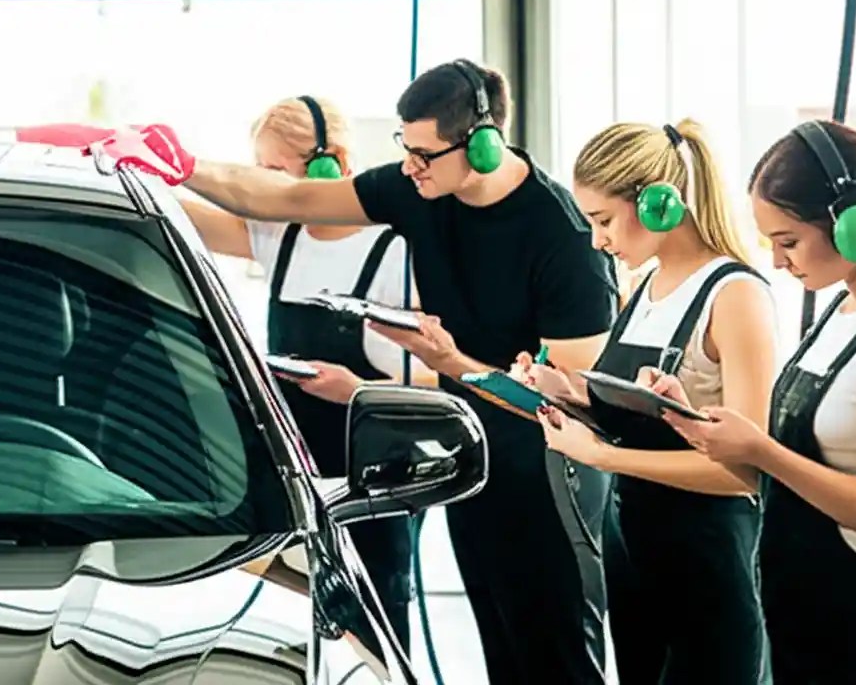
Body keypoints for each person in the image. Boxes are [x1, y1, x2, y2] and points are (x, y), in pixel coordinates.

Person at [102, 59, 620, 683]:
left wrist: (449, 364)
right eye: (405, 148)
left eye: (424, 153)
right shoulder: (419, 190)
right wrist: (181, 166)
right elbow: (289, 197)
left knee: (556, 657)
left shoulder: (562, 240)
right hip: (476, 465)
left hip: (546, 477)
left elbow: (565, 405)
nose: (409, 166)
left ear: (483, 145)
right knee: (503, 654)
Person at [662, 120, 856, 684]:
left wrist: (764, 450)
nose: (778, 263)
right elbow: (794, 486)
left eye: (788, 242)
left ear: (855, 225)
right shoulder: (842, 308)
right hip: (813, 628)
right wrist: (701, 427)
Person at [514, 118, 776, 683]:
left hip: (708, 557)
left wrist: (603, 457)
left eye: (603, 220)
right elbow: (636, 409)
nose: (596, 240)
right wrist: (570, 390)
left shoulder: (734, 296)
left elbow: (745, 469)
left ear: (660, 204)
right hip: (633, 548)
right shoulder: (643, 289)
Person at [174, 94, 433, 651]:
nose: (263, 186)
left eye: (273, 170)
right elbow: (191, 220)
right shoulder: (280, 234)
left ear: (329, 164)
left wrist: (355, 389)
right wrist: (146, 164)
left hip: (374, 477)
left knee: (375, 624)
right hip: (302, 473)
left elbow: (443, 380)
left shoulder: (395, 250)